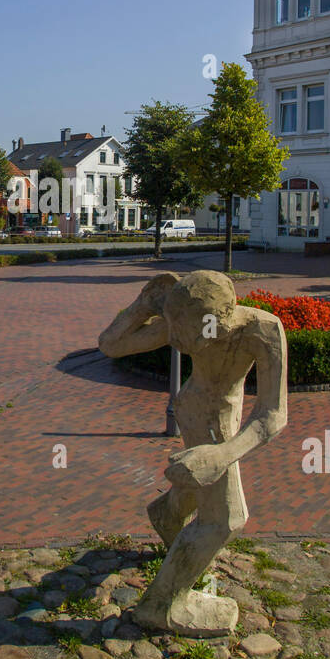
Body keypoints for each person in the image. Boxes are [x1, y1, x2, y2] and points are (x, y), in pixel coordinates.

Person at [99, 270, 287, 635]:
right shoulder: (185, 323)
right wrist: (141, 307)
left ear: (222, 318)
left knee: (208, 484)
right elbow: (110, 345)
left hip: (223, 419)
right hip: (198, 413)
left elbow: (273, 415)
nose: (181, 344)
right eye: (176, 332)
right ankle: (161, 606)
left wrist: (223, 455)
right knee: (226, 518)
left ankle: (167, 517)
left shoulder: (263, 332)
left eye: (192, 337)